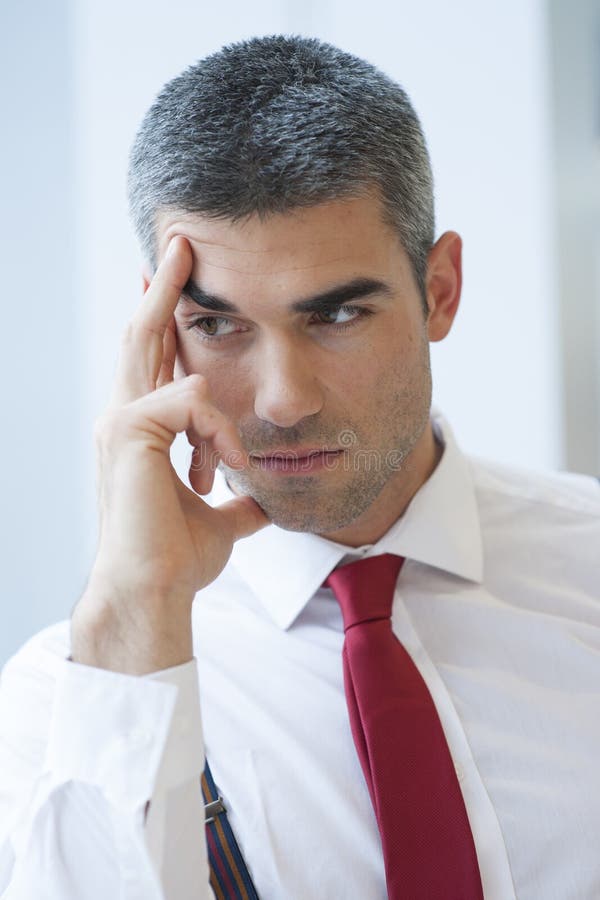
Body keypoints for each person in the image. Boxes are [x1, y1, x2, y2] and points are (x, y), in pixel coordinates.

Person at [0, 34, 598, 900]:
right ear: (159, 332)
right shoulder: (74, 700)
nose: (282, 401)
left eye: (338, 314)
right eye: (218, 325)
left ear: (440, 290)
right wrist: (139, 608)